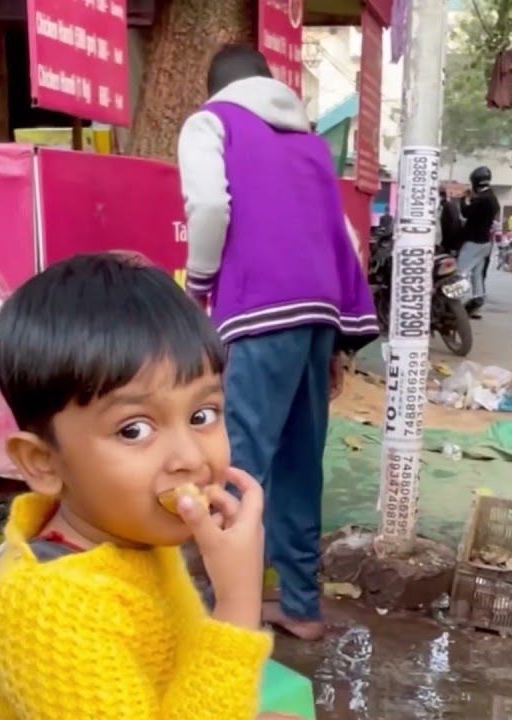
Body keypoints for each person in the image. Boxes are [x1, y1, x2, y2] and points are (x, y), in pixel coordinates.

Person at [0, 253, 291, 719]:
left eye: (203, 415)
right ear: (43, 462)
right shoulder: (51, 611)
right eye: (134, 430)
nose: (190, 459)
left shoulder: (131, 535)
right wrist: (238, 601)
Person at [176, 44, 379, 640]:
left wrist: (200, 285)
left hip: (260, 311)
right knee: (298, 461)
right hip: (319, 314)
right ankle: (300, 604)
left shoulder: (210, 122)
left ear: (214, 87)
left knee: (238, 462)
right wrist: (337, 342)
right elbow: (343, 236)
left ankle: (226, 612)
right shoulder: (310, 143)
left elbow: (210, 204)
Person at [457, 165, 501, 316]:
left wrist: (463, 199)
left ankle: (454, 305)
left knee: (460, 273)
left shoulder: (482, 199)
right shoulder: (492, 197)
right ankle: (477, 299)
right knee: (477, 273)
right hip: (485, 243)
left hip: (473, 242)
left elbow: (465, 213)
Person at [438, 188, 464, 255]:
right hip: (444, 244)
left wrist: (452, 246)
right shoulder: (443, 206)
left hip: (448, 244)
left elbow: (455, 224)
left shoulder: (449, 205)